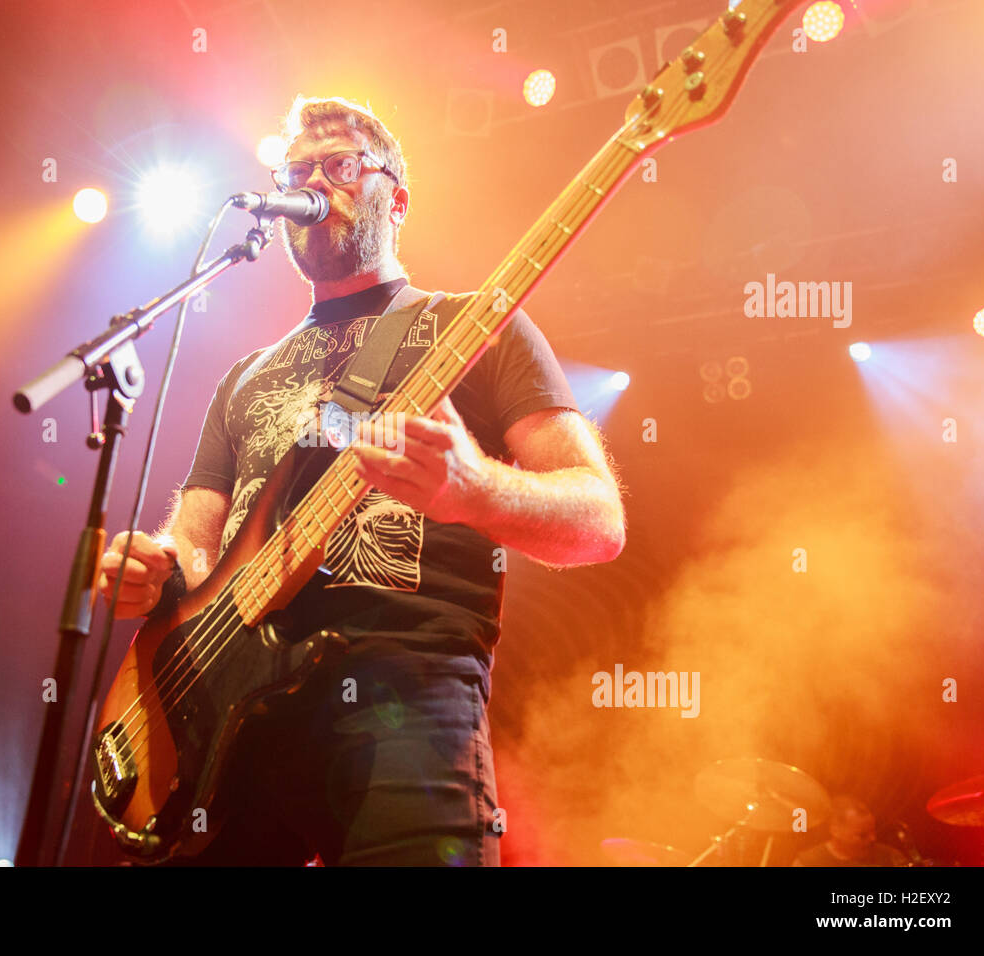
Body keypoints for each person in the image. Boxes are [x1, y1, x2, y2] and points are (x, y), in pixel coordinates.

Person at [97, 95, 625, 866]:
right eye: (298, 171)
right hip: (225, 720)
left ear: (396, 199)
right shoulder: (244, 377)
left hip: (404, 701)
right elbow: (195, 544)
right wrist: (156, 571)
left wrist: (476, 488)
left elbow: (599, 521)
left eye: (342, 165)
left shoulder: (476, 327)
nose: (315, 181)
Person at [791, 795, 910, 867]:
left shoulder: (890, 858)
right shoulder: (809, 862)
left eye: (873, 831)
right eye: (862, 835)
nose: (872, 839)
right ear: (835, 831)